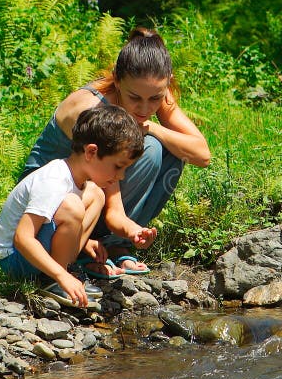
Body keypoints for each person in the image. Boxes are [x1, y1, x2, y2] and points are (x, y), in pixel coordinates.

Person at [20, 27, 210, 276]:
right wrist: (125, 224)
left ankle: (113, 246)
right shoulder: (93, 111)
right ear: (117, 80)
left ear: (167, 82)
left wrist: (151, 127)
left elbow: (202, 155)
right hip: (53, 206)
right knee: (149, 150)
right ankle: (81, 250)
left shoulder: (151, 94)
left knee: (171, 150)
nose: (144, 107)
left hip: (95, 187)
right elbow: (111, 204)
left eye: (155, 99)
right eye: (135, 98)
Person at [0, 105, 145, 308]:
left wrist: (82, 240)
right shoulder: (53, 179)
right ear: (91, 152)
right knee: (73, 206)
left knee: (96, 195)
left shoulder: (77, 178)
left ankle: (62, 270)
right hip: (14, 259)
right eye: (118, 166)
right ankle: (53, 280)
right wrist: (61, 274)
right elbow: (22, 238)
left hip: (32, 249)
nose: (121, 176)